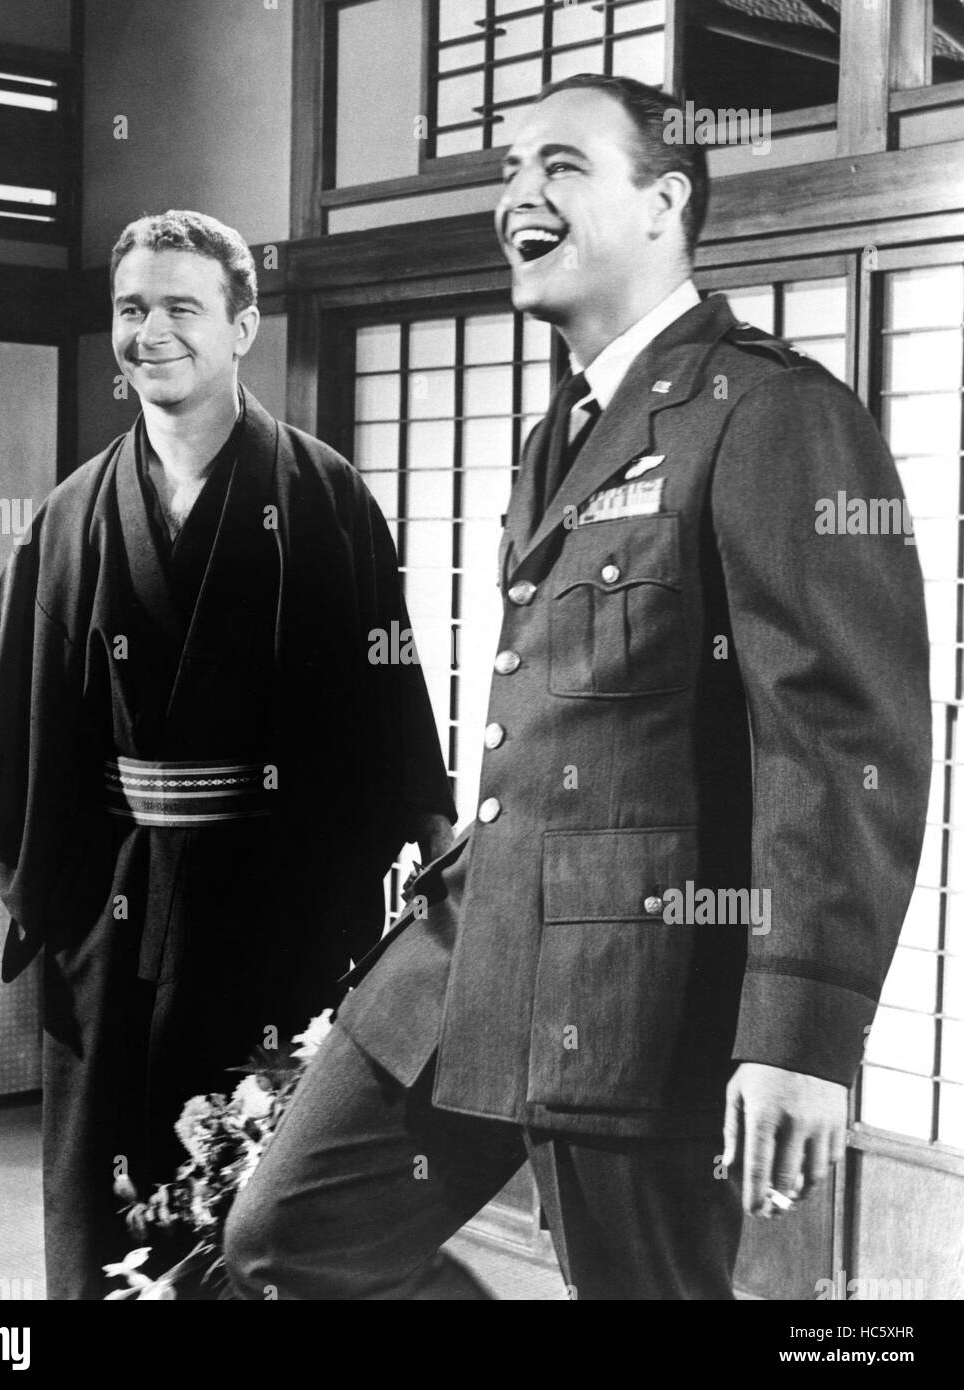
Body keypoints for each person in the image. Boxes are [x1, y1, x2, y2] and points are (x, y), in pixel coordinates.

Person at [222, 76, 931, 1301]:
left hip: (639, 982)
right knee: (284, 1237)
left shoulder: (767, 415)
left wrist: (801, 1035)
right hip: (471, 954)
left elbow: (840, 742)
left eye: (559, 165)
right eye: (507, 169)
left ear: (663, 202)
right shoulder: (565, 427)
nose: (515, 197)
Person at [0, 210, 456, 1300]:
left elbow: (392, 694)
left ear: (243, 325)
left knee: (259, 1183)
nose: (150, 331)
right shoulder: (70, 514)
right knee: (98, 1189)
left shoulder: (327, 497)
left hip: (275, 909)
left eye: (181, 308)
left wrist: (441, 866)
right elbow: (4, 702)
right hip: (108, 904)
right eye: (131, 308)